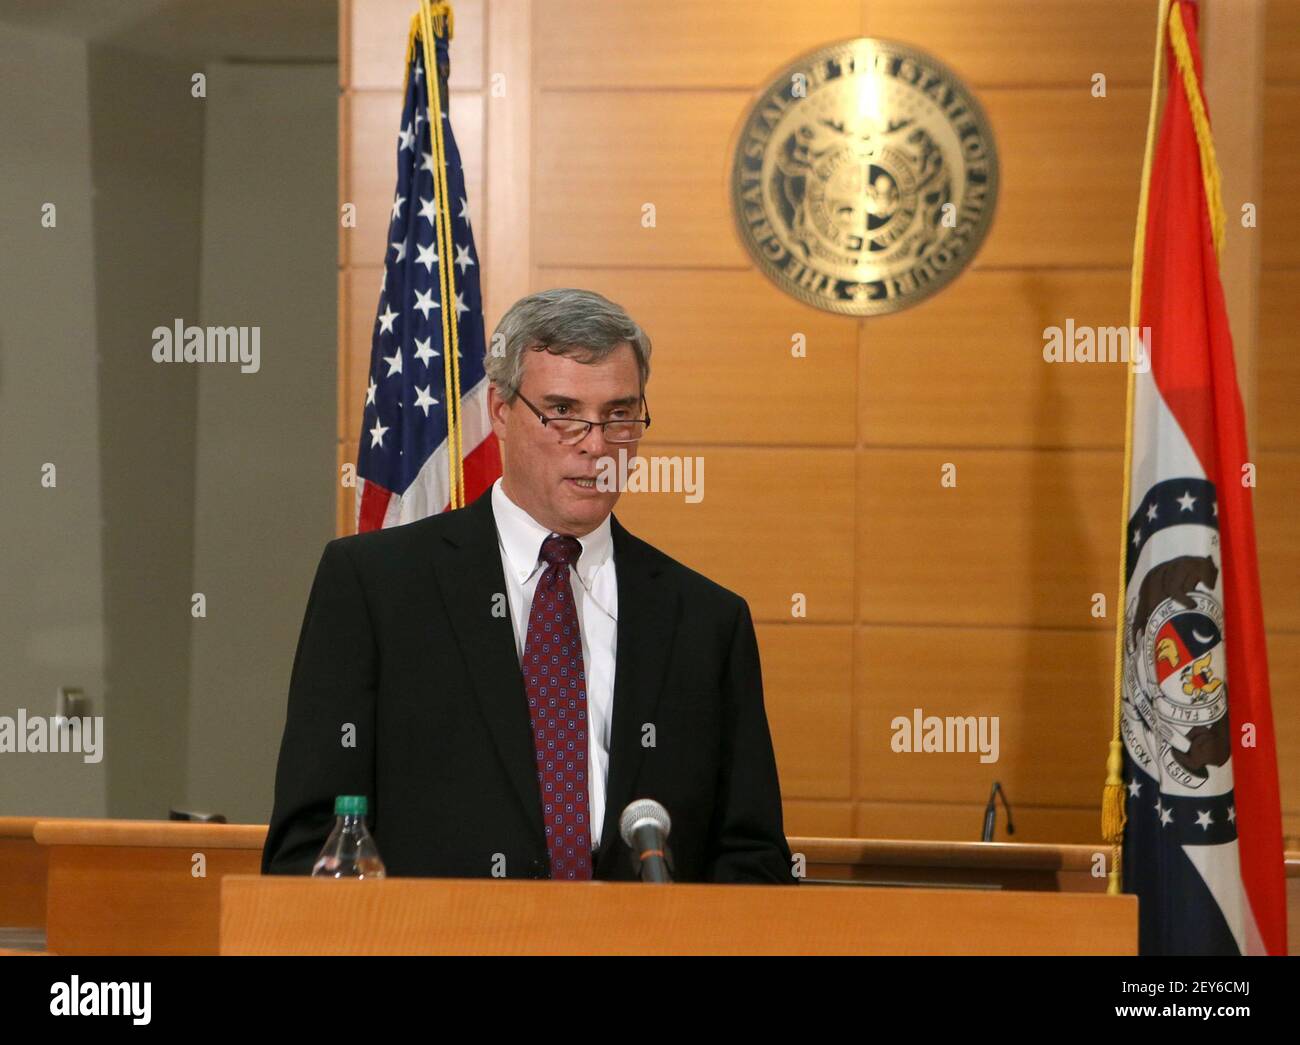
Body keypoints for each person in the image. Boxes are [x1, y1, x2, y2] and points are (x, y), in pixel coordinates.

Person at [263, 287, 794, 883]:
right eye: (563, 412)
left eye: (619, 414)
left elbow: (752, 859)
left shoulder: (706, 620)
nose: (596, 445)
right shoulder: (375, 588)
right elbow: (312, 846)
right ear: (499, 412)